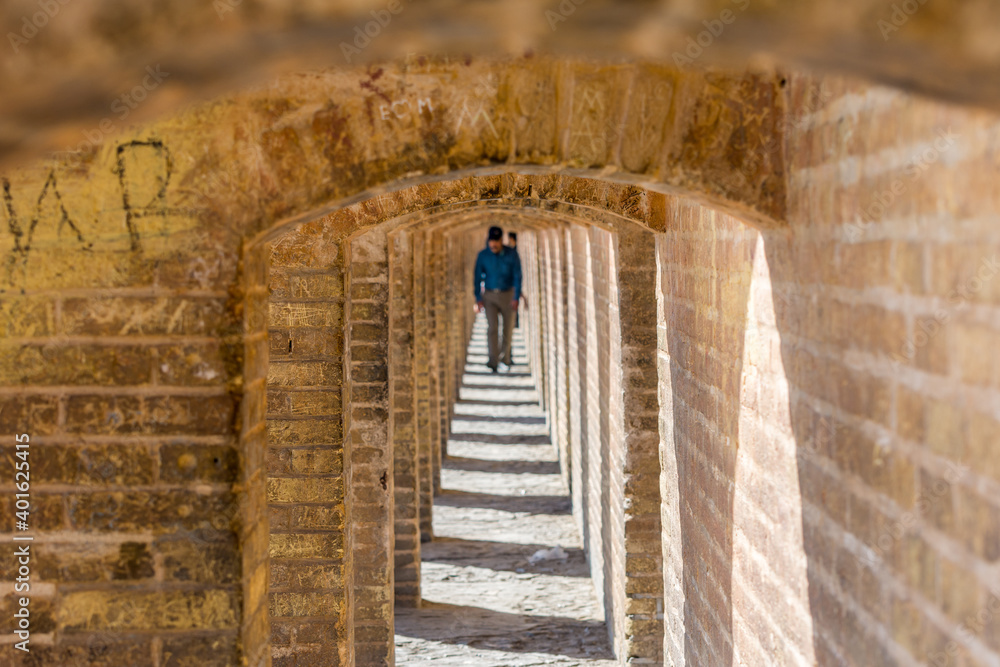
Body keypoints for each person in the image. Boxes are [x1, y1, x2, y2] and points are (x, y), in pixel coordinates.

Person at [474, 226, 522, 373]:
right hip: (489, 296)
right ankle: (493, 360)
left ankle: (505, 359)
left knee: (507, 329)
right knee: (492, 328)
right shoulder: (483, 255)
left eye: (496, 241)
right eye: (491, 242)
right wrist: (478, 299)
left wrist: (516, 297)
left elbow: (517, 276)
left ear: (502, 240)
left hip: (508, 295)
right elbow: (476, 278)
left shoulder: (511, 254)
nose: (493, 245)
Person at [507, 232, 524, 329]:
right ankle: (514, 322)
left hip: (512, 286)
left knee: (513, 304)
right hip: (510, 286)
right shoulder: (510, 252)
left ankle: (514, 322)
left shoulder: (512, 252)